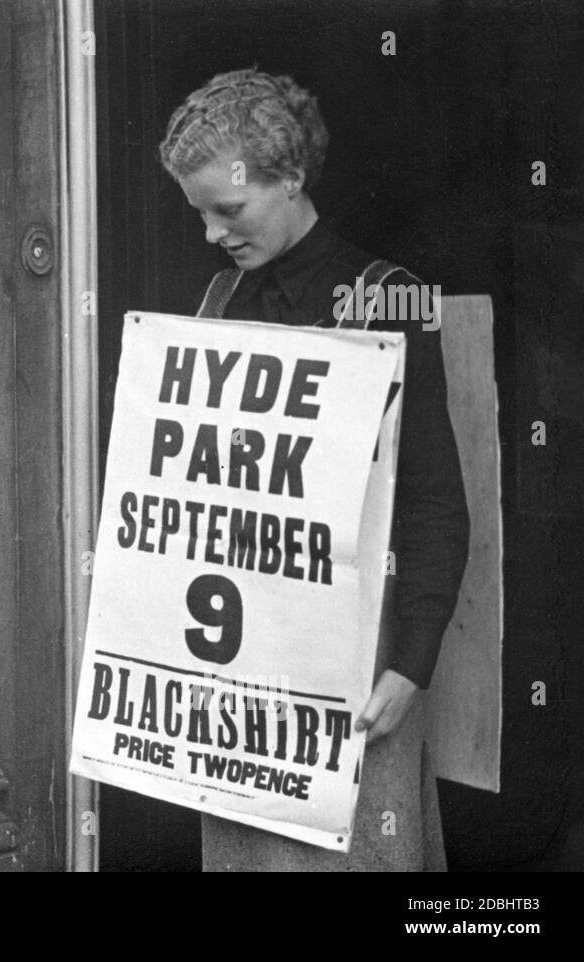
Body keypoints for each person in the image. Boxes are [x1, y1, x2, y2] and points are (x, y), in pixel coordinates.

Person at [159, 68, 471, 870]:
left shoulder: (385, 300)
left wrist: (412, 662)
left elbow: (435, 494)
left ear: (290, 178)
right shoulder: (217, 303)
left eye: (227, 210)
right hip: (238, 653)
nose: (211, 235)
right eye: (198, 214)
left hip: (358, 655)